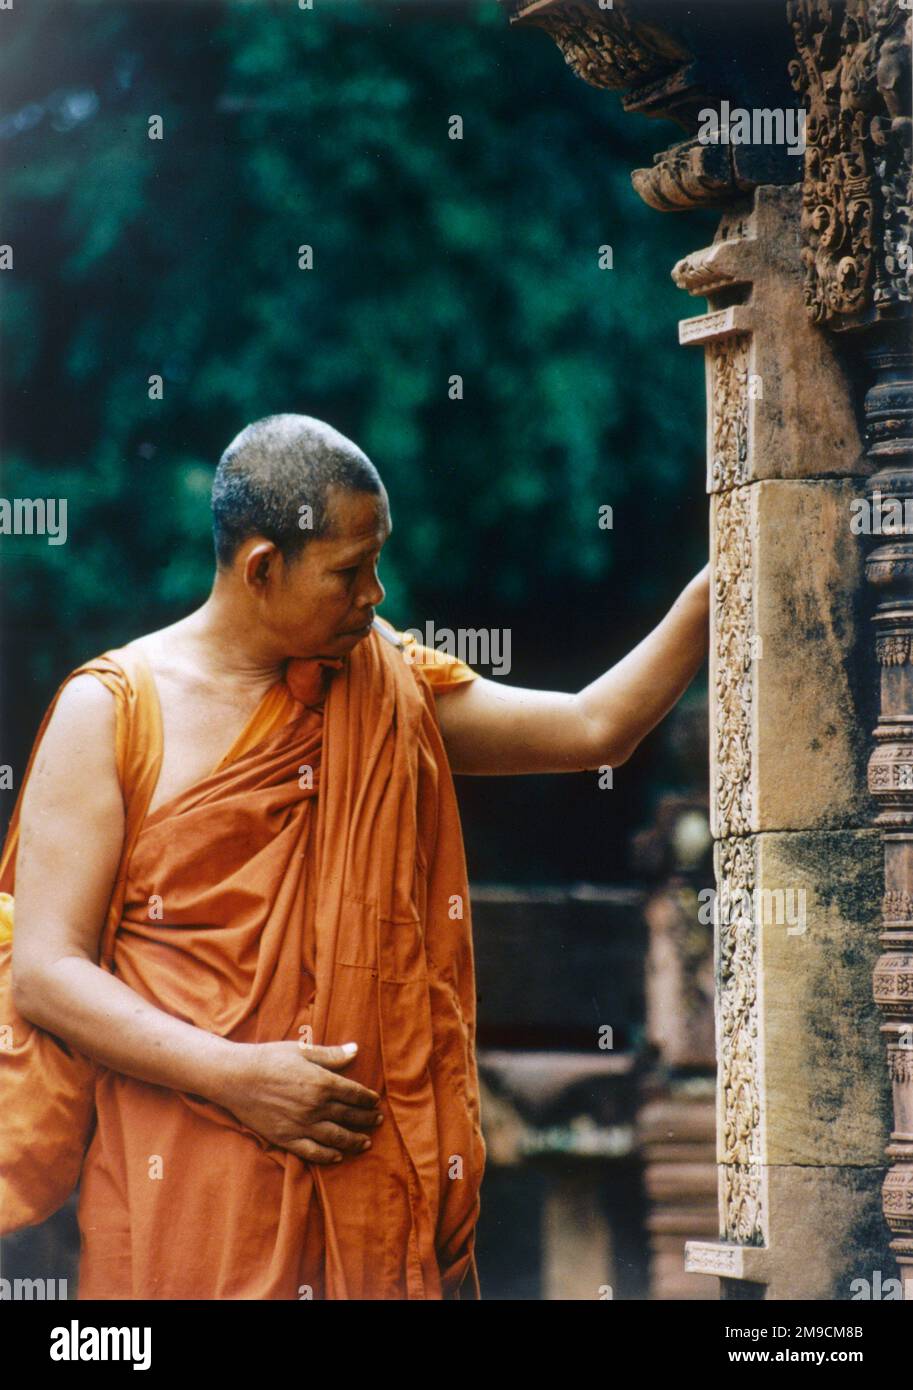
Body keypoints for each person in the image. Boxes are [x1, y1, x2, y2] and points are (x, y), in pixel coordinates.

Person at [6, 413, 709, 1300]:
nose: (374, 594)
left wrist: (708, 596)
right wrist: (236, 1077)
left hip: (363, 1173)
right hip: (185, 1168)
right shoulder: (110, 712)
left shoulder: (383, 689)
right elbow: (44, 972)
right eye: (347, 572)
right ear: (262, 567)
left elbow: (592, 728)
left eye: (375, 562)